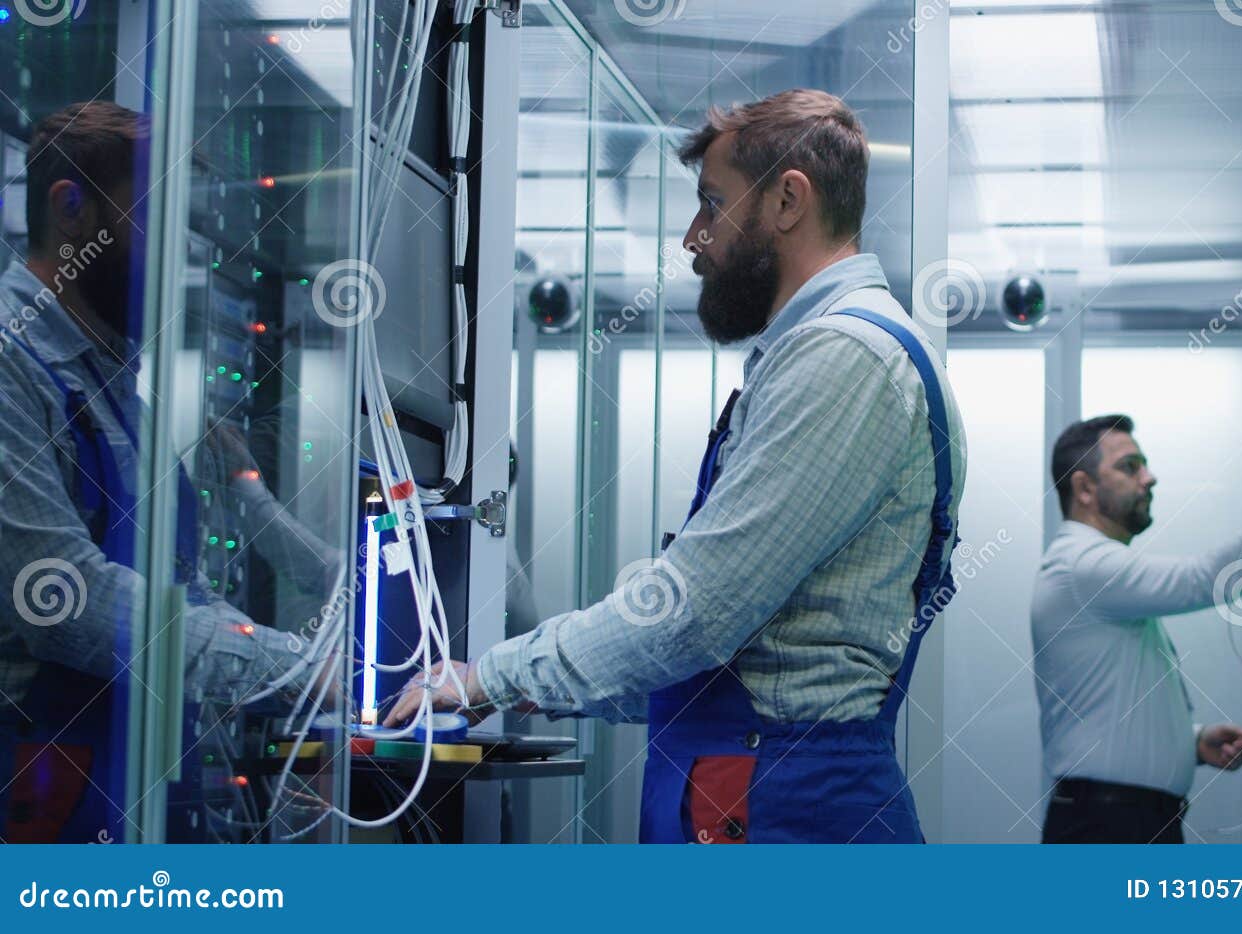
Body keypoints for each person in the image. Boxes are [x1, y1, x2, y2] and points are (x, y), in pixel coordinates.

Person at [387, 88, 968, 844]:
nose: (695, 238)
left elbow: (698, 613)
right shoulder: (820, 354)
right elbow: (710, 643)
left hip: (785, 806)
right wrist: (534, 681)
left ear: (789, 200)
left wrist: (487, 677)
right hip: (753, 784)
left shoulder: (843, 359)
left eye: (713, 205)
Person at [0, 101, 324, 843]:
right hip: (35, 798)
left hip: (129, 787)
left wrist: (296, 673)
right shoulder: (10, 362)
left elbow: (187, 592)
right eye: (151, 216)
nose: (174, 252)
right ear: (71, 208)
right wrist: (293, 667)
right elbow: (66, 599)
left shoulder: (117, 389)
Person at [1032, 414, 1242, 843]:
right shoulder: (1084, 565)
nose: (1149, 478)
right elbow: (1209, 577)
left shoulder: (1090, 573)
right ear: (1083, 488)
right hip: (1106, 827)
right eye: (1129, 466)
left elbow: (1110, 708)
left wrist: (1191, 743)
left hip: (1125, 820)